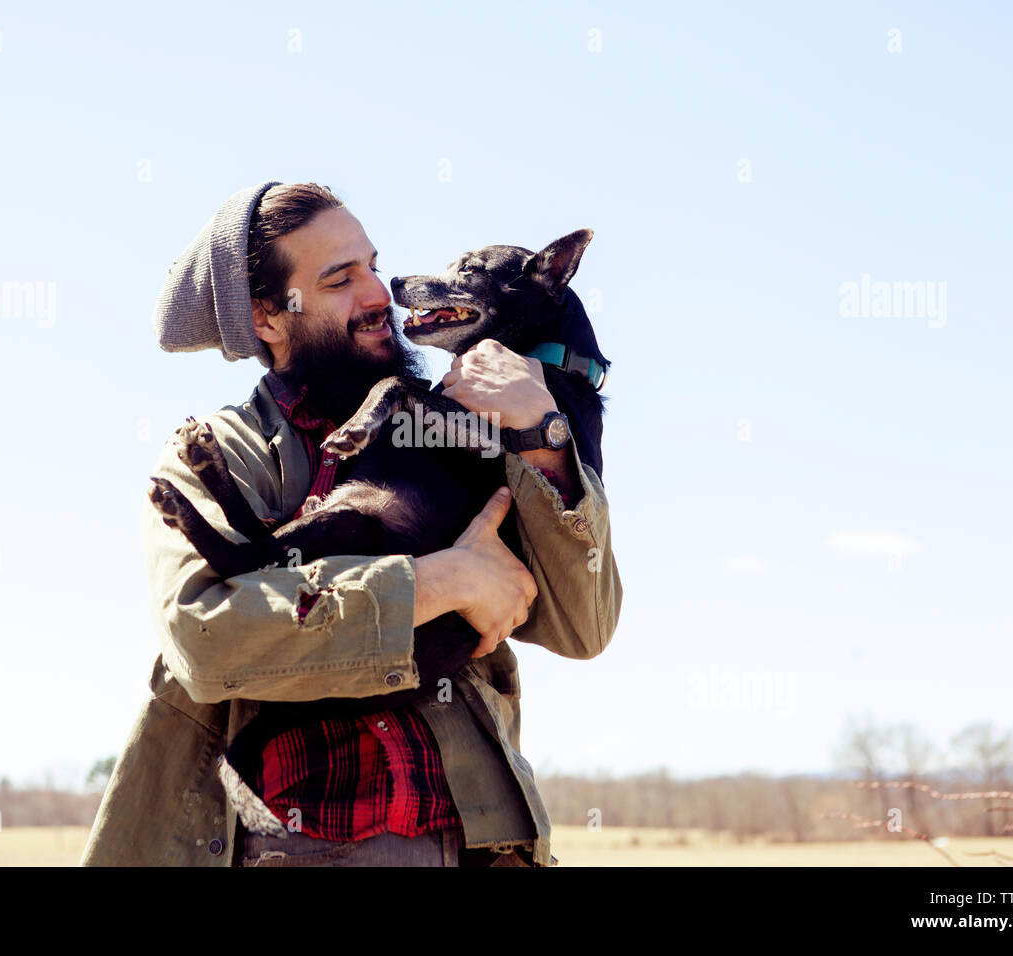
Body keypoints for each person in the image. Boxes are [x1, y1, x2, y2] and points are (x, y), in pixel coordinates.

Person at [79, 181, 622, 867]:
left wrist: (543, 434)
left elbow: (584, 627)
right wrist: (435, 583)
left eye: (371, 264)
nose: (379, 295)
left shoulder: (476, 425)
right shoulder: (220, 452)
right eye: (341, 279)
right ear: (269, 317)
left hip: (480, 848)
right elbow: (205, 637)